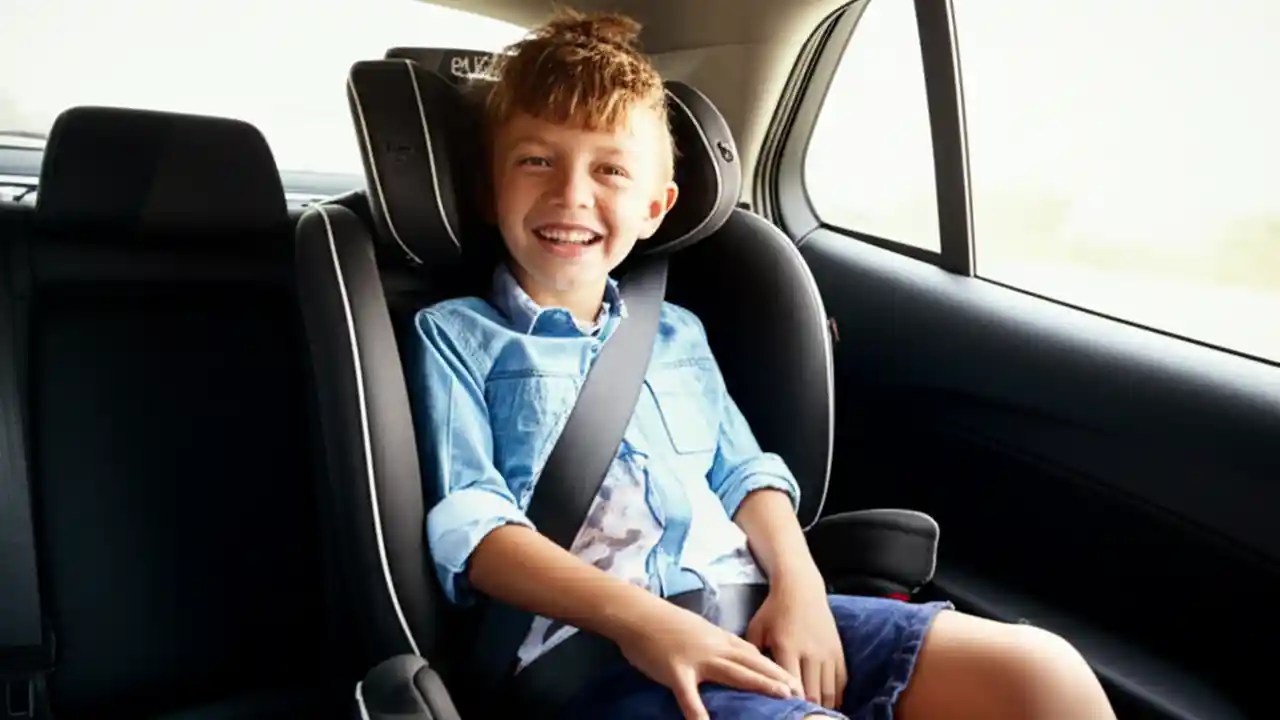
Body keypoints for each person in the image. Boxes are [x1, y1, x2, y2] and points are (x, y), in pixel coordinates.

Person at [407, 7, 1118, 720]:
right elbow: (474, 526)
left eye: (610, 169)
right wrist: (643, 621)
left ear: (656, 207)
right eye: (536, 160)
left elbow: (744, 473)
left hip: (749, 613)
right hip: (602, 660)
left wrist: (800, 588)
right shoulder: (457, 336)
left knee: (1040, 673)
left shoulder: (676, 334)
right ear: (489, 190)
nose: (572, 193)